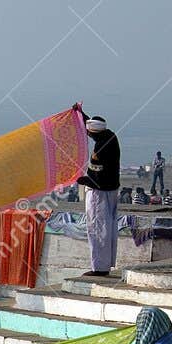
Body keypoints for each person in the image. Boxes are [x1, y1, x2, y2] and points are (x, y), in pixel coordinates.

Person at [77, 114, 121, 276]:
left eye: (89, 133)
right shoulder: (110, 136)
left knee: (98, 228)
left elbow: (98, 176)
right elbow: (94, 124)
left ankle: (100, 268)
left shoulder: (101, 149)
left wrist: (84, 180)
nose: (88, 134)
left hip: (99, 193)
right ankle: (104, 264)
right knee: (107, 227)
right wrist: (82, 116)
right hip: (111, 189)